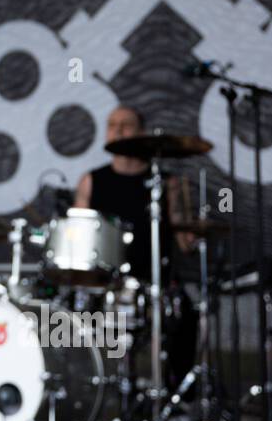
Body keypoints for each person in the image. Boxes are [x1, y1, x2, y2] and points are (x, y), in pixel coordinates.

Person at [73, 105, 196, 390]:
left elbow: (184, 242)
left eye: (126, 124)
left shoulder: (167, 183)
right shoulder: (92, 181)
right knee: (65, 326)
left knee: (188, 317)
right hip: (106, 287)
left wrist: (195, 233)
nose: (118, 130)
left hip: (156, 286)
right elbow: (78, 242)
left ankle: (177, 400)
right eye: (112, 124)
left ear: (141, 133)